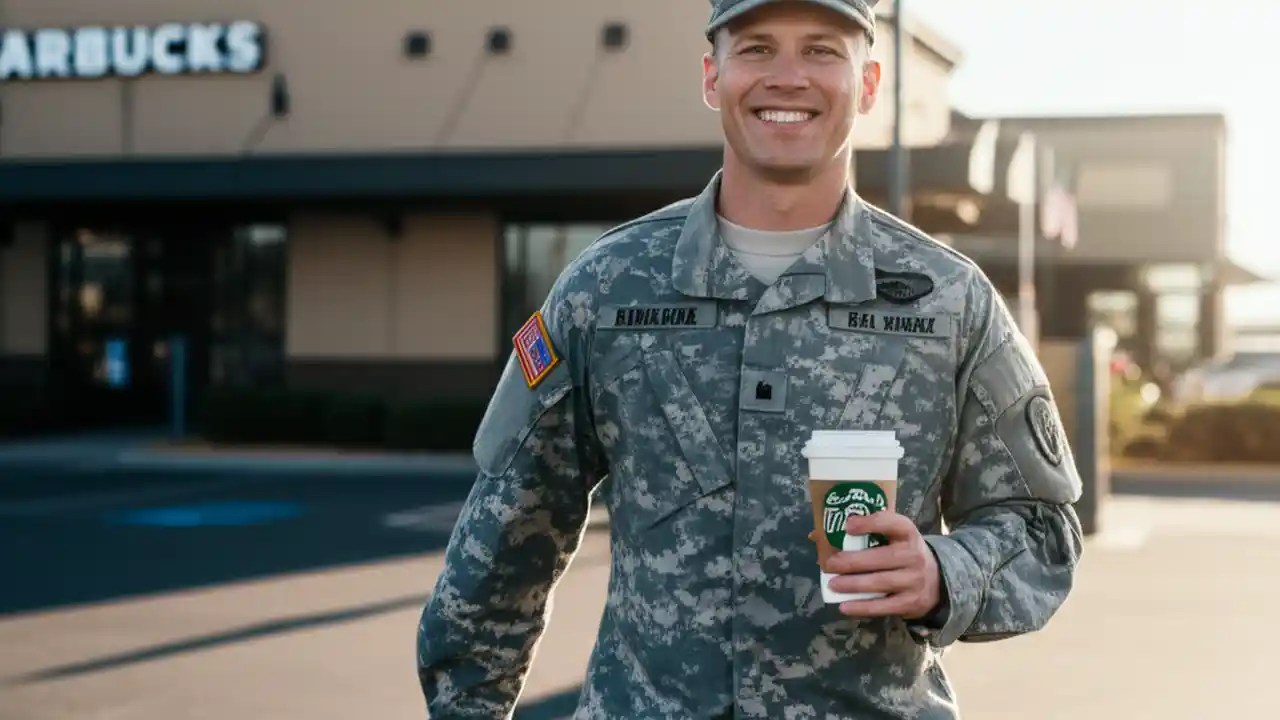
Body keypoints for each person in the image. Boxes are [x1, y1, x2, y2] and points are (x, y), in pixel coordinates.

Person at [417, 0, 1084, 717]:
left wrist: (944, 572)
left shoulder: (948, 302)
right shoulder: (607, 288)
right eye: (758, 48)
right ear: (713, 76)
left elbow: (1043, 529)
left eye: (823, 51)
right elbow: (503, 541)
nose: (788, 77)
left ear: (867, 83)